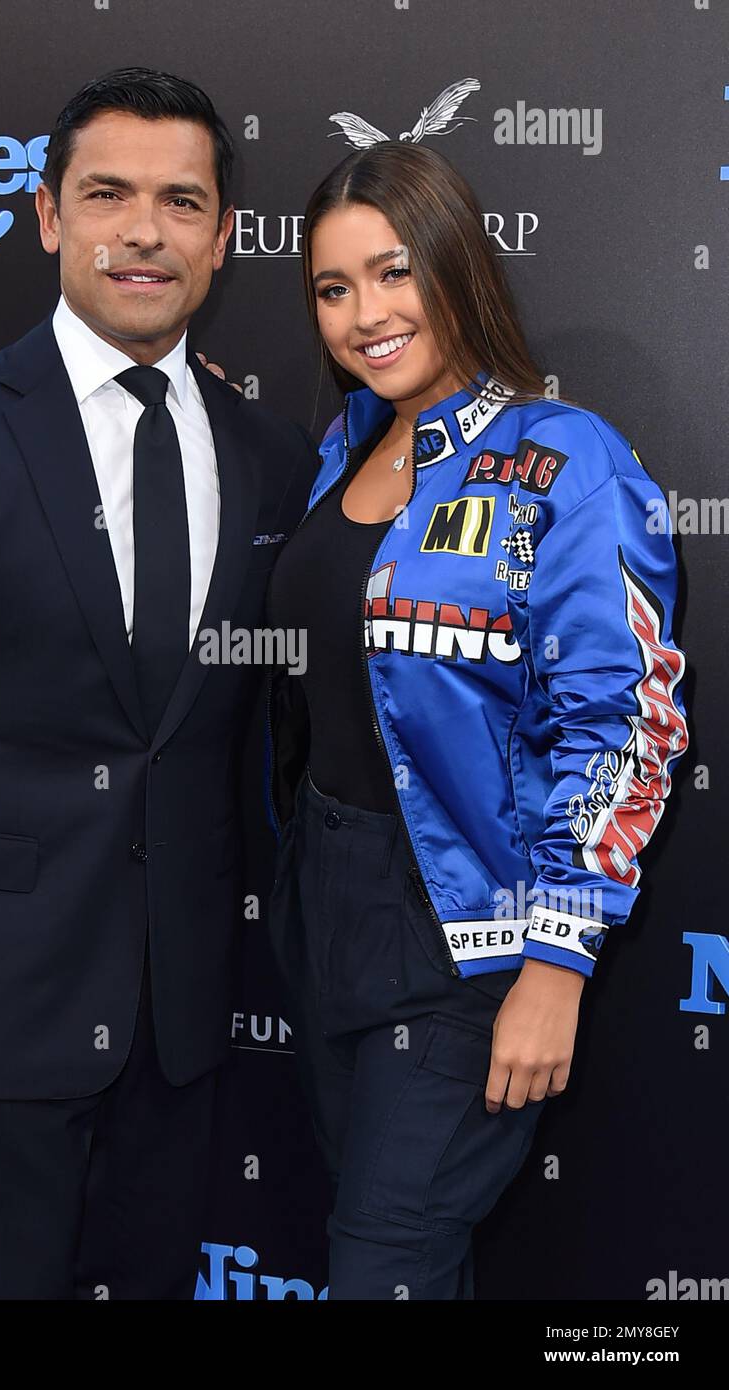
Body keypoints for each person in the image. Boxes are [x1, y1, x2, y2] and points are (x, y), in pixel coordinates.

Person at [0, 67, 317, 1300]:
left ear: (223, 237)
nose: (144, 230)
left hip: (184, 1028)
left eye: (180, 201)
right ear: (45, 216)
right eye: (108, 194)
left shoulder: (272, 457)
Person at [264, 141, 689, 1299]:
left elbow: (628, 723)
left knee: (380, 1262)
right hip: (325, 914)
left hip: (472, 939)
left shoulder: (566, 460)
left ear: (458, 268)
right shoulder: (336, 452)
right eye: (333, 287)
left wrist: (557, 956)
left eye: (393, 272)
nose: (365, 314)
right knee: (392, 1252)